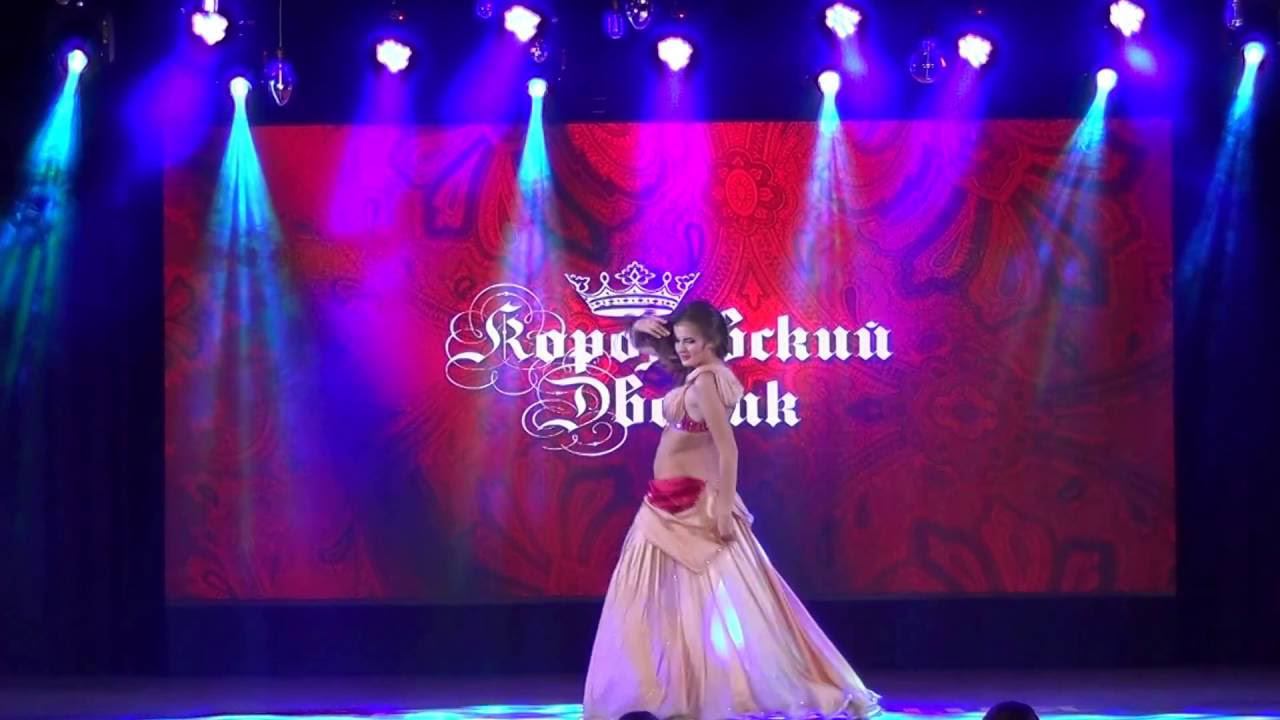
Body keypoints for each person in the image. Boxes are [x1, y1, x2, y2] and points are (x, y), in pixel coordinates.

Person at [583, 300, 881, 720]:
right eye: (679, 340)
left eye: (691, 341)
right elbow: (650, 349)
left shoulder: (708, 381)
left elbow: (728, 449)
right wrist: (640, 327)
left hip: (696, 506)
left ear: (712, 341)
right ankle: (678, 690)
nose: (682, 348)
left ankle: (706, 691)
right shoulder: (698, 374)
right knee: (667, 600)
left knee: (702, 602)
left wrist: (723, 509)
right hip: (667, 503)